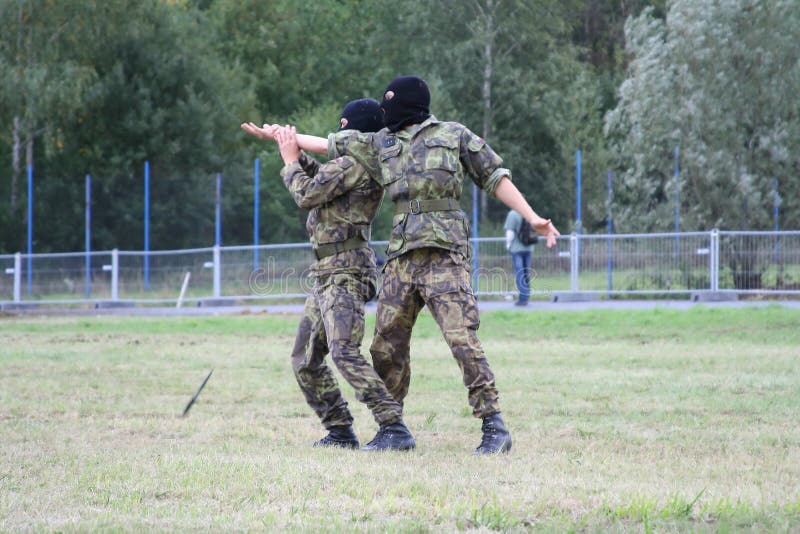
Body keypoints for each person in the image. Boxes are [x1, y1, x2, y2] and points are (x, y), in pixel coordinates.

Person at [245, 75, 560, 455]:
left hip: (444, 254)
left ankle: (493, 426)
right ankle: (391, 430)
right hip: (401, 258)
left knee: (461, 339)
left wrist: (532, 217)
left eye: (390, 102)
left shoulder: (453, 134)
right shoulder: (382, 143)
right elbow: (330, 143)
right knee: (385, 346)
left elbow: (494, 177)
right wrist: (279, 137)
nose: (385, 110)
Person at [242, 100, 415, 451]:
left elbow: (307, 192)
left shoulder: (355, 164)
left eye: (343, 128)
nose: (337, 136)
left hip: (346, 272)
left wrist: (291, 160)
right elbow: (320, 176)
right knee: (305, 359)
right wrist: (283, 141)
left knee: (344, 352)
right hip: (326, 272)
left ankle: (393, 426)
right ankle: (339, 429)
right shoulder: (349, 166)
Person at [504, 209, 533, 306]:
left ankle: (523, 298)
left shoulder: (513, 214)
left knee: (520, 273)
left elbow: (510, 232)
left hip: (517, 248)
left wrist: (508, 245)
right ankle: (526, 296)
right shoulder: (529, 211)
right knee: (526, 272)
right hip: (528, 247)